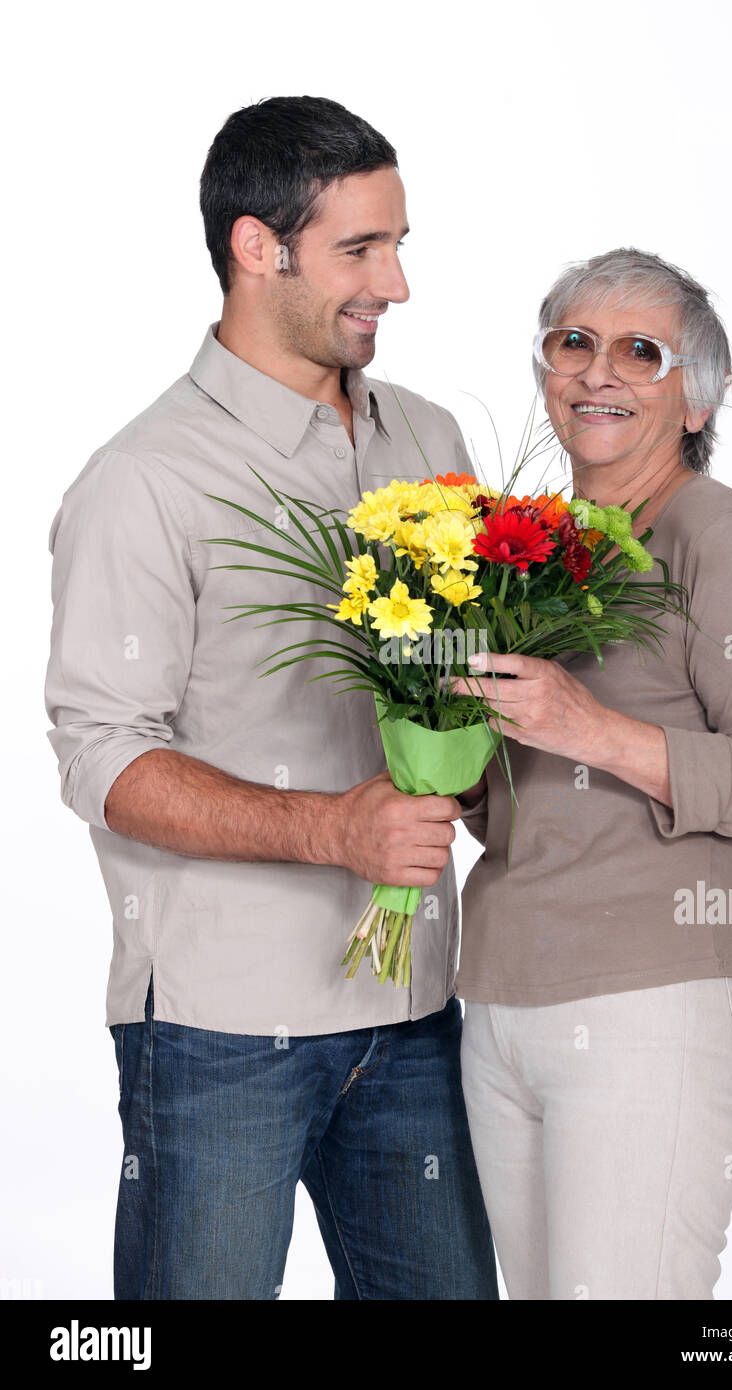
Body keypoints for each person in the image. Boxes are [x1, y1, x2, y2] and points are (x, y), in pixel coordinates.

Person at [44, 95, 497, 1301]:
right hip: (219, 1031)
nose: (394, 283)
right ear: (259, 248)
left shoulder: (431, 438)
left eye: (399, 245)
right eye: (361, 250)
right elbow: (100, 755)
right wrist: (330, 829)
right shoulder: (144, 480)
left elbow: (468, 688)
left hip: (412, 1014)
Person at [450, 248, 732, 1300]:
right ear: (542, 371)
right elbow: (517, 807)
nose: (595, 371)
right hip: (498, 1000)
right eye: (571, 342)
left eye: (638, 351)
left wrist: (591, 728)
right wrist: (441, 748)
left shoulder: (715, 534)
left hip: (650, 1009)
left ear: (693, 396)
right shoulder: (535, 550)